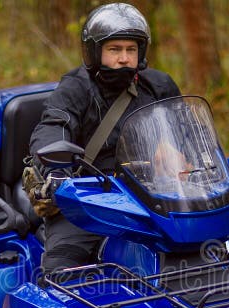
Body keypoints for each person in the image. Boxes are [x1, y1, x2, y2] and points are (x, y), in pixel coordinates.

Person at [28, 2, 181, 274]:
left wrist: (182, 153)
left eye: (130, 49)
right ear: (95, 52)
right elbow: (53, 127)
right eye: (115, 49)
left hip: (151, 197)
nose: (124, 58)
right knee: (61, 269)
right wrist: (57, 171)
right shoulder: (76, 87)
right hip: (88, 201)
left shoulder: (158, 85)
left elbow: (185, 131)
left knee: (207, 248)